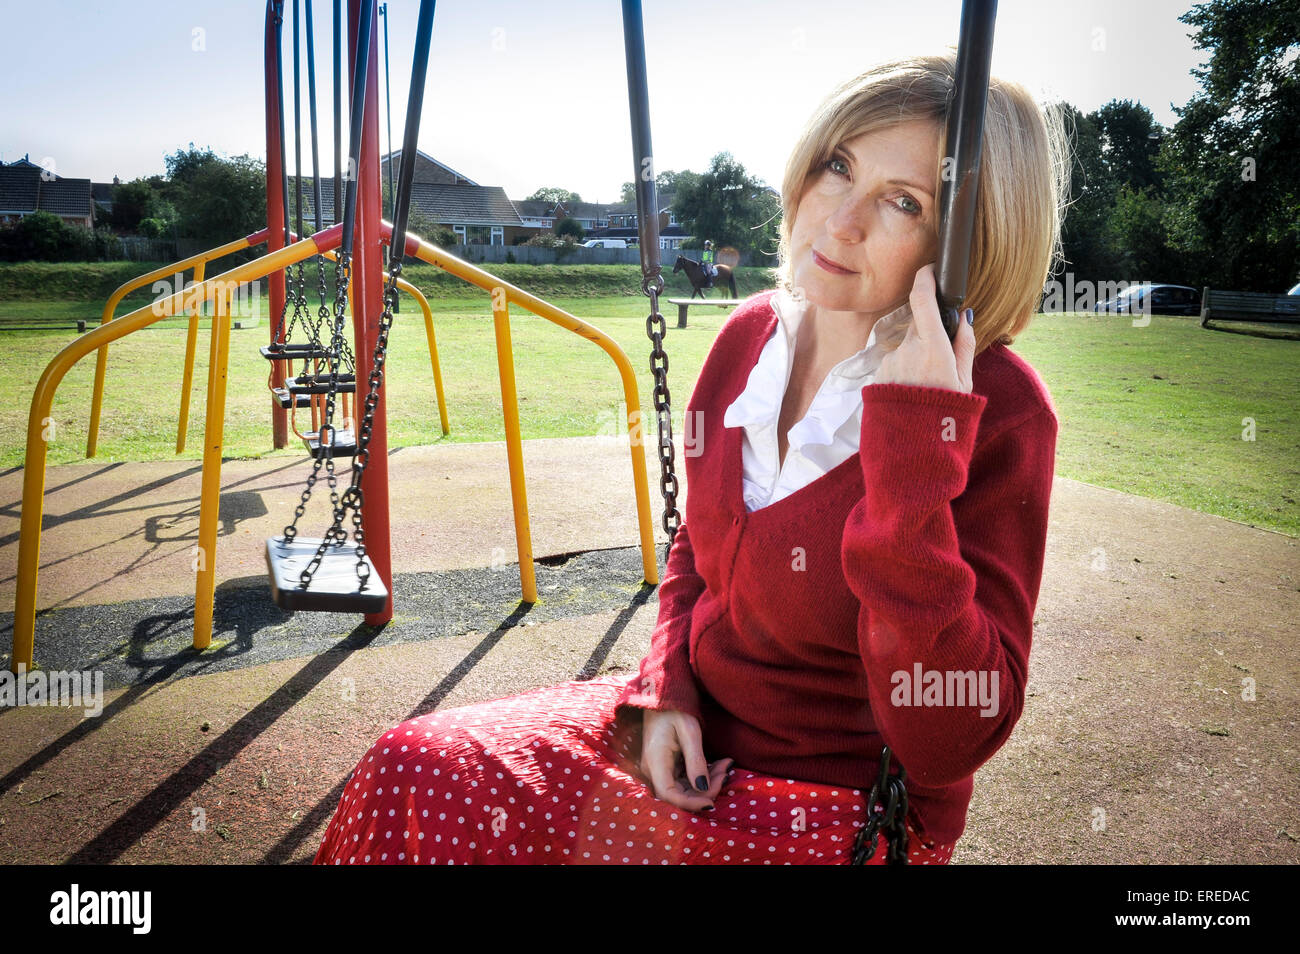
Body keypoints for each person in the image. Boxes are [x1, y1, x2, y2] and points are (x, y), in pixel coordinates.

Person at [313, 50, 1068, 865]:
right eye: (839, 167)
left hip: (837, 803)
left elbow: (951, 737)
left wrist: (913, 460)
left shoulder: (999, 409)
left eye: (903, 203)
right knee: (411, 772)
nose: (841, 220)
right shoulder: (751, 338)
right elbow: (694, 555)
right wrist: (664, 685)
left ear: (971, 243)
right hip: (689, 738)